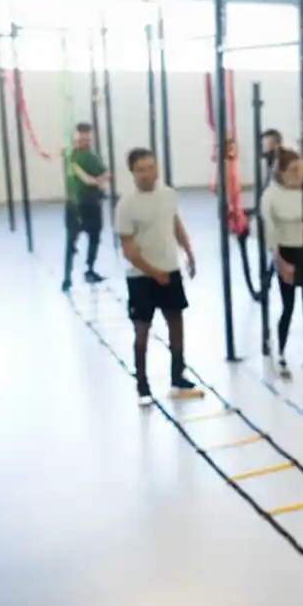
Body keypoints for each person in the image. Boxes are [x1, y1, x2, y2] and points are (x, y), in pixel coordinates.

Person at [115, 148, 202, 405]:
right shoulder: (126, 205)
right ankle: (142, 385)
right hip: (141, 277)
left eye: (150, 167)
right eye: (141, 169)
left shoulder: (168, 196)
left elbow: (175, 224)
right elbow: (128, 249)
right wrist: (154, 273)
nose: (147, 174)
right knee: (142, 331)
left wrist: (188, 252)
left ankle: (178, 375)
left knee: (176, 323)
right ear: (132, 173)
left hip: (170, 270)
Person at [259, 148, 303, 378]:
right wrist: (281, 263)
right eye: (294, 171)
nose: (299, 176)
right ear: (282, 172)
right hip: (286, 253)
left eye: (301, 171)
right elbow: (270, 234)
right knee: (288, 306)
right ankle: (281, 352)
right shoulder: (270, 196)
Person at [62, 122, 111, 293]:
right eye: (81, 139)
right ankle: (68, 277)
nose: (84, 143)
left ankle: (85, 271)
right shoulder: (72, 157)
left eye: (87, 139)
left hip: (89, 204)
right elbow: (97, 177)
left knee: (92, 237)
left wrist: (97, 180)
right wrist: (97, 181)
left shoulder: (88, 156)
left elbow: (106, 174)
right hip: (77, 205)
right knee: (72, 241)